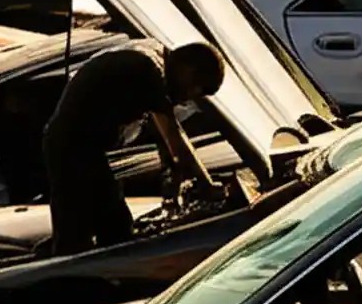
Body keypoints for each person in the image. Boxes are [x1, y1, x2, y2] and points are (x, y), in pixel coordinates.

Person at [43, 39, 225, 254]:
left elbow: (163, 138)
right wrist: (208, 185)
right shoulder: (148, 70)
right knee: (93, 229)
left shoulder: (150, 54)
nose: (187, 98)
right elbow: (174, 137)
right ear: (188, 69)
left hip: (78, 146)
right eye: (194, 89)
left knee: (109, 221)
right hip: (72, 147)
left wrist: (174, 171)